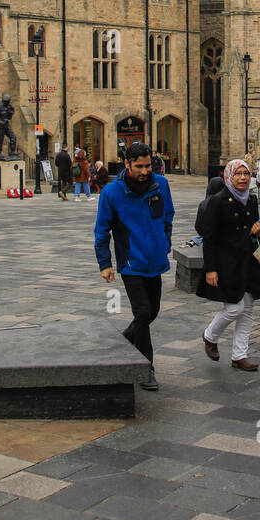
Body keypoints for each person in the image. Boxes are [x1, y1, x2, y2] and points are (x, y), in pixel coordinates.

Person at [95, 142, 174, 391]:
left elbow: (168, 215)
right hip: (131, 261)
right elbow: (102, 230)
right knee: (142, 313)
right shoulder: (111, 192)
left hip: (156, 260)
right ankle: (145, 368)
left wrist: (165, 241)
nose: (144, 171)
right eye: (138, 166)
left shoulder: (160, 184)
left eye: (147, 165)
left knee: (152, 312)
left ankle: (127, 338)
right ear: (127, 164)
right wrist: (105, 263)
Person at [198, 158, 260, 371]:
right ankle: (210, 335)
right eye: (238, 174)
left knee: (247, 309)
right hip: (226, 262)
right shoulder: (217, 201)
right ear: (229, 176)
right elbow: (208, 237)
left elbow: (249, 231)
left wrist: (257, 229)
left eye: (246, 174)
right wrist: (210, 269)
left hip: (247, 260)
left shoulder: (252, 200)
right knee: (234, 308)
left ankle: (240, 355)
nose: (243, 178)